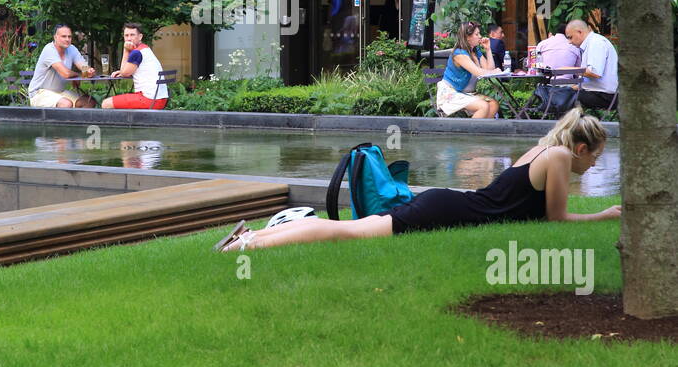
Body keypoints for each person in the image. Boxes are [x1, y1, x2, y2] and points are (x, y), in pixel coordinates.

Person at [215, 107, 617, 251]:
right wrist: (607, 214)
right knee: (349, 234)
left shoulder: (546, 148)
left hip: (448, 204)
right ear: (582, 148)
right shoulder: (562, 156)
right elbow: (557, 220)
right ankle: (248, 245)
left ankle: (248, 239)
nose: (594, 165)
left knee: (354, 228)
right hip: (448, 211)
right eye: (596, 156)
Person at [435, 20, 499, 119]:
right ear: (468, 37)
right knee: (483, 106)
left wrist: (488, 49)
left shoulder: (475, 50)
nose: (480, 36)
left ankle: (481, 132)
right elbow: (477, 72)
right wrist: (493, 72)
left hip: (467, 93)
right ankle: (470, 133)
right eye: (477, 34)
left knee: (493, 104)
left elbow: (489, 69)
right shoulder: (459, 53)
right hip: (452, 93)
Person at [100, 20, 169, 110]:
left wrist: (125, 50)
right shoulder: (145, 49)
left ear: (140, 37)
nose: (129, 38)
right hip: (159, 98)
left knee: (106, 103)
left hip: (149, 100)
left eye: (132, 35)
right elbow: (128, 70)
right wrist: (123, 71)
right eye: (126, 35)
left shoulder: (136, 53)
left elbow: (125, 73)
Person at [27, 24, 98, 109]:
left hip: (60, 92)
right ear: (55, 37)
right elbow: (65, 73)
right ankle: (61, 122)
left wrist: (89, 71)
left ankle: (77, 122)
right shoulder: (49, 49)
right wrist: (77, 74)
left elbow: (84, 68)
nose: (67, 39)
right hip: (39, 93)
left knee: (89, 102)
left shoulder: (72, 49)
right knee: (66, 104)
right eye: (63, 36)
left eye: (69, 37)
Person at [565, 20, 618, 111]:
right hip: (601, 92)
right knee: (563, 92)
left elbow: (594, 73)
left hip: (607, 96)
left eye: (570, 37)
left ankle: (568, 124)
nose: (569, 42)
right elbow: (591, 78)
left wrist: (569, 69)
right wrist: (574, 87)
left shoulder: (596, 43)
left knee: (563, 96)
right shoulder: (592, 42)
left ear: (579, 32)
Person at [532, 23, 582, 116]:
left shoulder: (542, 44)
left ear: (553, 33)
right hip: (569, 87)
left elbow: (535, 65)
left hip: (546, 86)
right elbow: (579, 71)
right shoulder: (574, 46)